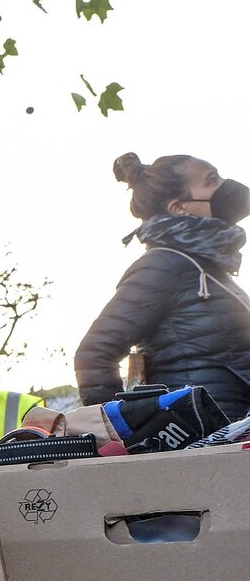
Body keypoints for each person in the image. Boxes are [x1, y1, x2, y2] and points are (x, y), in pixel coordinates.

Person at [74, 152, 250, 422]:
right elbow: (94, 353)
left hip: (232, 434)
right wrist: (120, 430)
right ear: (179, 207)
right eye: (212, 180)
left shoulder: (206, 267)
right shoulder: (163, 265)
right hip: (204, 438)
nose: (226, 185)